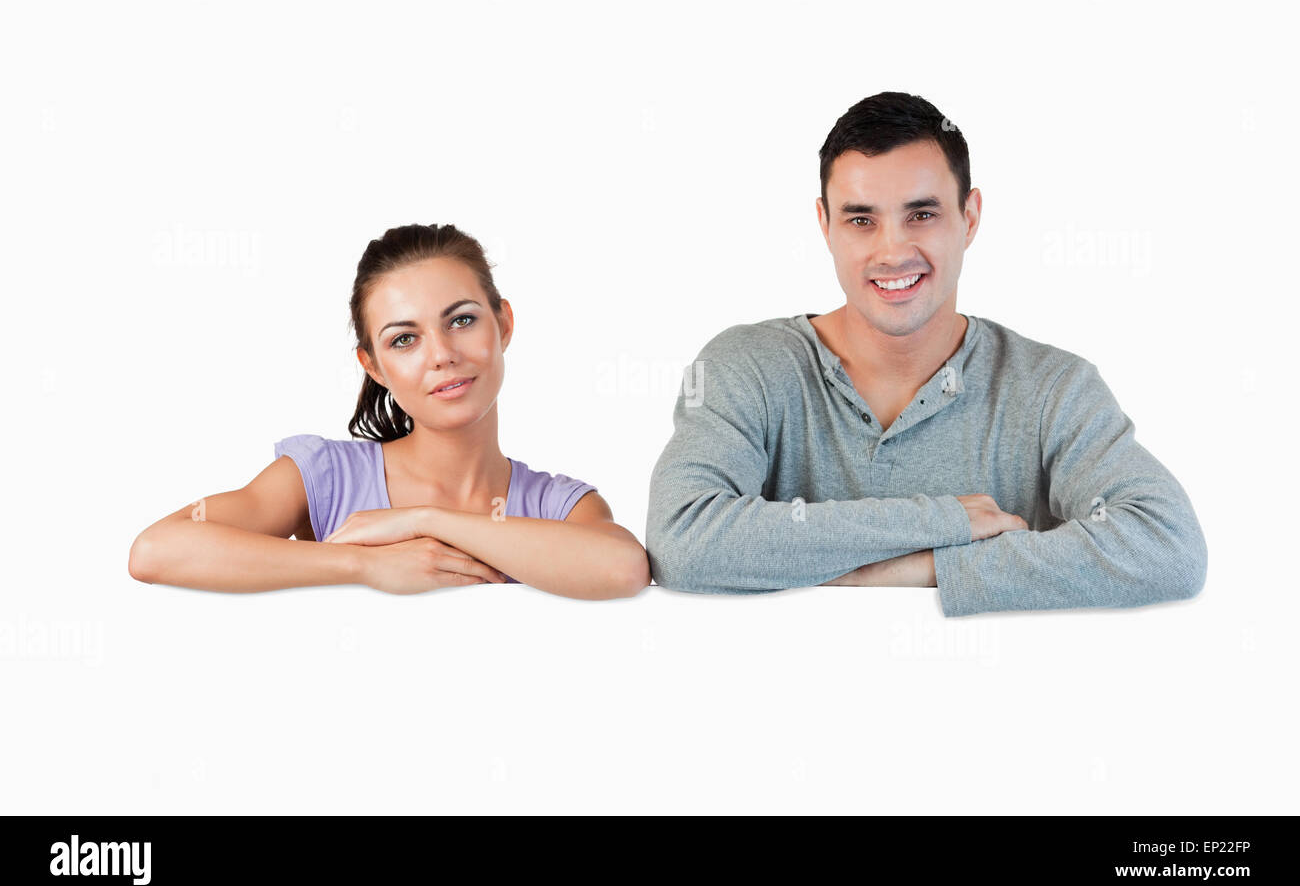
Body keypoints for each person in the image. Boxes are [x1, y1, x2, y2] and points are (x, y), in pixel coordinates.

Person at [644, 92, 1208, 616]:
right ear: (825, 225)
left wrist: (927, 570)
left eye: (922, 214)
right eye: (861, 219)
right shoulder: (747, 367)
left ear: (970, 217)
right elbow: (682, 540)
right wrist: (944, 518)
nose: (892, 251)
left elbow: (1167, 544)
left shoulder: (1053, 388)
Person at [129, 223, 650, 600]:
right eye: (404, 339)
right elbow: (157, 550)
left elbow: (623, 568)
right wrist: (363, 563)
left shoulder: (558, 505)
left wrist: (423, 521)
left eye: (463, 321)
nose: (442, 354)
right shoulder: (324, 477)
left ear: (504, 324)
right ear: (373, 365)